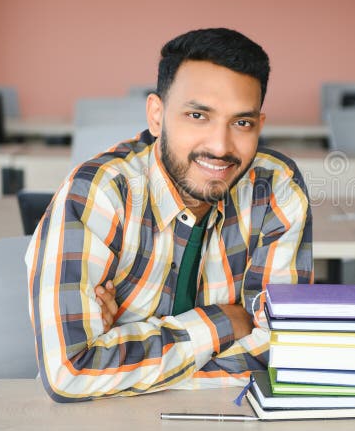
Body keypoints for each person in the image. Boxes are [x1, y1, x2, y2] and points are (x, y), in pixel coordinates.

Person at [26, 28, 313, 402]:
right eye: (198, 115)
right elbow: (73, 370)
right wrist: (227, 320)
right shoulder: (101, 192)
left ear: (259, 124)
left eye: (241, 123)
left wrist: (122, 354)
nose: (220, 145)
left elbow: (284, 351)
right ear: (157, 116)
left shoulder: (276, 188)